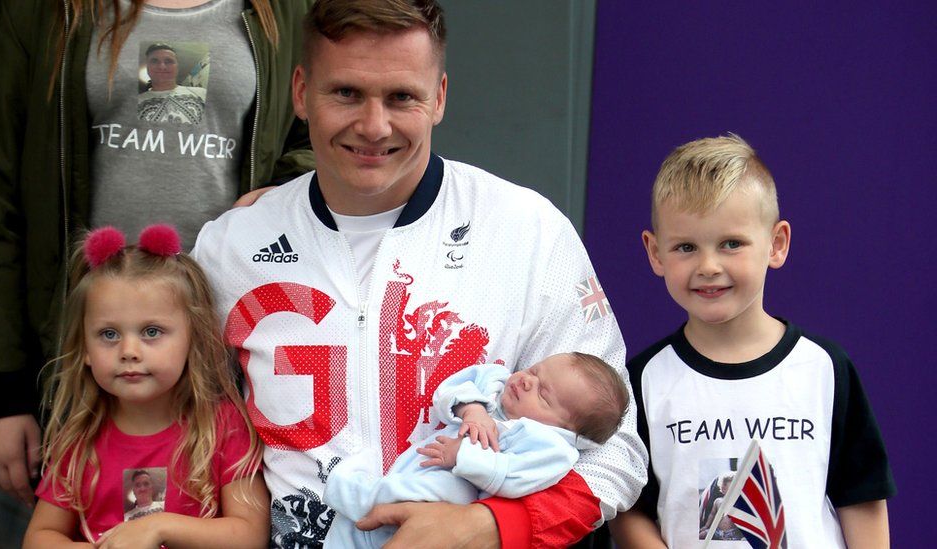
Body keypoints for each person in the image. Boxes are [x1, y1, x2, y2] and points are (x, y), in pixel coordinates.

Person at [191, 1, 648, 546]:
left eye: (401, 96)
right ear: (300, 92)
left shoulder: (527, 231)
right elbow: (187, 433)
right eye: (346, 93)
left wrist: (490, 528)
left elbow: (616, 453)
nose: (373, 125)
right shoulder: (231, 246)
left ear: (440, 98)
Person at [0, 0, 313, 511]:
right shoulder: (42, 13)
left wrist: (286, 188)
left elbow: (317, 128)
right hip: (81, 368)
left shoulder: (284, 10)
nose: (166, 69)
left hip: (227, 365)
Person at [609, 134, 895, 548]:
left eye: (731, 244)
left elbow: (862, 497)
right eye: (686, 247)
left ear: (776, 244)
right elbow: (629, 508)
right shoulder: (642, 380)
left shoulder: (824, 367)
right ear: (655, 253)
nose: (709, 266)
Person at [23, 225, 269, 547]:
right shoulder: (80, 438)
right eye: (108, 334)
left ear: (192, 338)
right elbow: (38, 538)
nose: (129, 351)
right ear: (84, 348)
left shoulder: (223, 426)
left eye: (151, 332)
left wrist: (159, 527)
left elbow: (250, 536)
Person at [323, 353, 630, 547]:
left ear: (566, 430)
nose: (526, 382)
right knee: (350, 532)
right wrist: (473, 409)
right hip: (419, 469)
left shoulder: (549, 447)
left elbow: (511, 478)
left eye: (543, 394)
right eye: (535, 371)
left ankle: (345, 489)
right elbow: (450, 390)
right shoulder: (495, 389)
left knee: (389, 501)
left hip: (451, 497)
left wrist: (463, 456)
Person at [137, 42, 208, 124]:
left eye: (168, 61)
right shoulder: (134, 103)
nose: (162, 67)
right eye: (154, 61)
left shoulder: (202, 94)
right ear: (147, 67)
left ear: (177, 67)